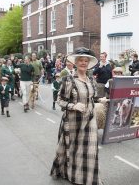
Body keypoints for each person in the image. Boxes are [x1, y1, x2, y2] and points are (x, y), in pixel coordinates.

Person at [50, 47, 100, 184]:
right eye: (81, 61)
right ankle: (73, 175)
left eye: (86, 61)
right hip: (73, 121)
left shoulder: (91, 80)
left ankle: (89, 179)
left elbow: (91, 98)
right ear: (76, 63)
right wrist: (74, 106)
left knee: (90, 150)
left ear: (88, 63)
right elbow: (59, 100)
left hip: (90, 119)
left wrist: (101, 100)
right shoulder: (69, 80)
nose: (83, 63)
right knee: (73, 149)